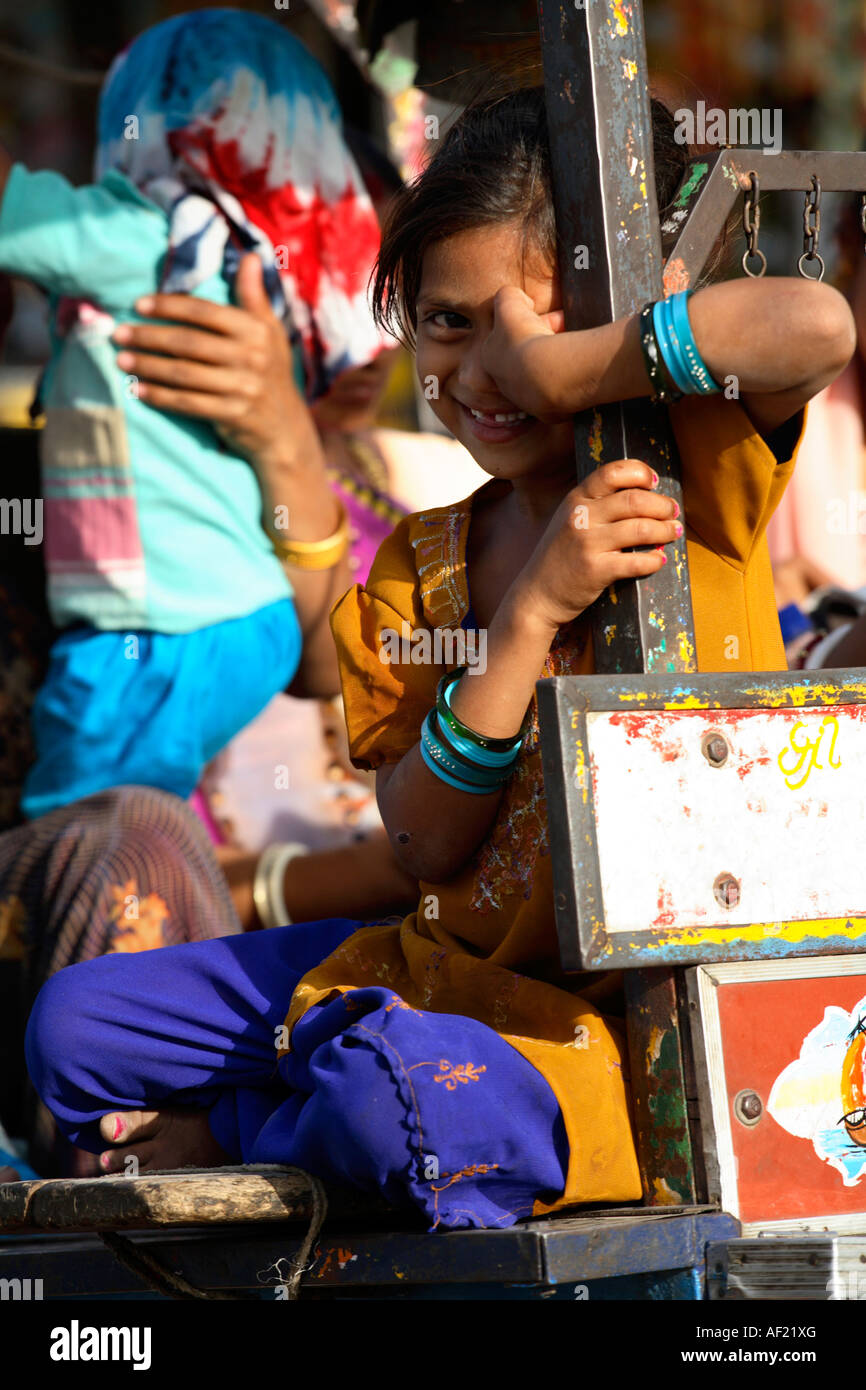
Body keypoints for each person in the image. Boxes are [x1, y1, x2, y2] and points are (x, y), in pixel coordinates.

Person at [25, 88, 855, 1229]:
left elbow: (816, 327)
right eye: (448, 322)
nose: (482, 373)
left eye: (531, 325)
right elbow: (416, 837)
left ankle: (244, 1121)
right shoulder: (424, 561)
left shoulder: (695, 476)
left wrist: (571, 369)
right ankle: (311, 1075)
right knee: (74, 1025)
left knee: (393, 1106)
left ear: (614, 321)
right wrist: (526, 618)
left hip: (594, 1040)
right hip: (424, 977)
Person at [0, 9, 385, 820]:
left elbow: (14, 210)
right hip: (251, 621)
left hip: (153, 633)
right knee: (128, 829)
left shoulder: (142, 238)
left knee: (79, 846)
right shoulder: (248, 269)